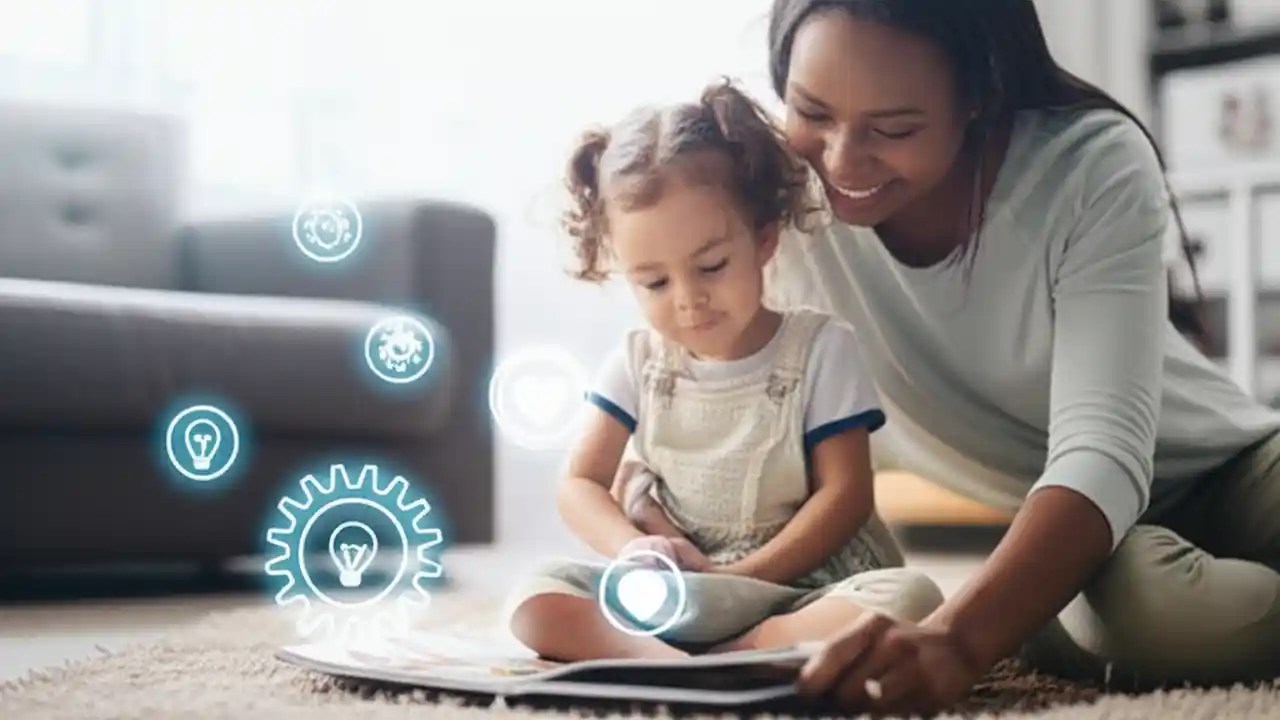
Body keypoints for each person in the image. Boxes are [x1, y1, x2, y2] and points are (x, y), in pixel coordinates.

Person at [759, 0, 1280, 714]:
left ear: (979, 94)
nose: (843, 161)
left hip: (1231, 466)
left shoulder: (1087, 164)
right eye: (811, 112)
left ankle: (1034, 613)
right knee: (1164, 616)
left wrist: (958, 640)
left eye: (895, 128)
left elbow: (1102, 455)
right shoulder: (770, 196)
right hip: (1086, 542)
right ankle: (1039, 613)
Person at [503, 79, 943, 662]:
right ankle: (673, 660)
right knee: (535, 597)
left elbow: (846, 497)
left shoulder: (820, 348)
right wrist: (634, 549)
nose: (688, 300)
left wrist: (743, 579)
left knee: (913, 597)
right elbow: (579, 484)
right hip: (680, 592)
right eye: (654, 282)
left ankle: (744, 649)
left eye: (711, 266)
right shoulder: (637, 360)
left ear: (764, 241)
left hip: (797, 588)